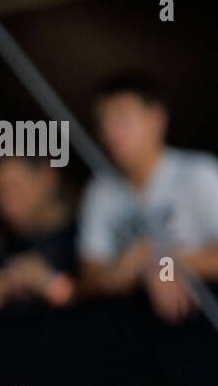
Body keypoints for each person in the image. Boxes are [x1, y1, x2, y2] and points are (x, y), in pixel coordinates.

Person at [79, 73, 218, 322]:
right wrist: (127, 270)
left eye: (121, 118)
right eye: (103, 121)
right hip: (133, 329)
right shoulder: (101, 190)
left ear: (156, 118)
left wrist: (159, 262)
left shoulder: (198, 174)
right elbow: (88, 278)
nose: (110, 131)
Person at [0, 154, 78, 313]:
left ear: (46, 176)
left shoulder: (90, 236)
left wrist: (49, 283)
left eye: (14, 187)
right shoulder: (3, 253)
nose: (6, 204)